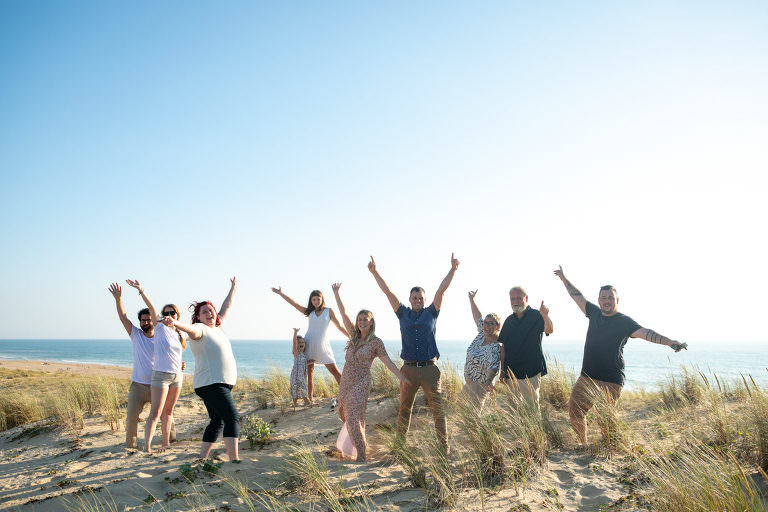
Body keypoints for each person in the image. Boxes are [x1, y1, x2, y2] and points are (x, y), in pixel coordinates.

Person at [554, 265, 687, 444]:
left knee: (605, 419)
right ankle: (583, 445)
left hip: (611, 380)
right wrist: (563, 278)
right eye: (603, 298)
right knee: (575, 411)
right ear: (599, 300)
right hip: (587, 377)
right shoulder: (593, 313)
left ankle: (608, 448)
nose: (607, 301)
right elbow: (576, 295)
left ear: (617, 300)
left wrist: (669, 342)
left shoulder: (624, 322)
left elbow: (646, 333)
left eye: (610, 298)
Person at [368, 253, 459, 450]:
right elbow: (388, 292)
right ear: (410, 299)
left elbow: (441, 291)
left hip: (429, 369)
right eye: (415, 297)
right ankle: (400, 447)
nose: (418, 300)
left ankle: (444, 447)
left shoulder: (431, 312)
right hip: (408, 370)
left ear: (425, 300)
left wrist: (453, 270)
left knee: (438, 410)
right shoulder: (403, 313)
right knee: (404, 410)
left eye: (421, 298)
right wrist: (375, 272)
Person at [164, 277, 240, 461]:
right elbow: (189, 329)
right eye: (204, 312)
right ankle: (234, 460)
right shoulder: (200, 329)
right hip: (212, 383)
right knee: (232, 418)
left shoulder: (218, 328)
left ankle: (202, 458)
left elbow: (227, 306)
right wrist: (174, 323)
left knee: (217, 421)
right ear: (198, 316)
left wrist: (233, 288)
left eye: (211, 310)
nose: (209, 313)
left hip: (217, 383)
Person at [331, 283, 409, 461]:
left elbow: (387, 362)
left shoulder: (376, 342)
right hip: (346, 381)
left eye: (365, 319)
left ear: (371, 322)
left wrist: (402, 377)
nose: (362, 322)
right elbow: (343, 314)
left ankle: (362, 454)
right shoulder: (353, 336)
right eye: (359, 320)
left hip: (361, 382)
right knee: (346, 415)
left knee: (353, 417)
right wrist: (336, 293)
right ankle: (358, 445)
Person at [107, 282, 178, 448]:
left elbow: (174, 354)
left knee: (166, 413)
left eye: (148, 320)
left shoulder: (163, 336)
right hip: (138, 385)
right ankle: (130, 446)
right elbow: (123, 318)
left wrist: (179, 365)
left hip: (158, 384)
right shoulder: (136, 335)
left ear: (154, 321)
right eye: (143, 320)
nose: (146, 322)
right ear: (140, 322)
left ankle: (172, 440)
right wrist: (118, 299)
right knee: (131, 416)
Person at [124, 280, 186, 453]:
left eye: (172, 313)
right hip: (160, 377)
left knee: (168, 412)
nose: (168, 315)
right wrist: (140, 290)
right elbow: (150, 307)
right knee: (156, 413)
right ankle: (147, 447)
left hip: (176, 376)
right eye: (165, 312)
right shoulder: (159, 327)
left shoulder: (179, 333)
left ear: (177, 315)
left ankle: (167, 443)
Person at [271, 287, 347, 401]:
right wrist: (281, 293)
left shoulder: (329, 311)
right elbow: (295, 304)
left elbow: (339, 326)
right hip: (309, 344)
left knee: (335, 371)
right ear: (311, 301)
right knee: (309, 372)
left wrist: (351, 336)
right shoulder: (309, 312)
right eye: (314, 300)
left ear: (322, 299)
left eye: (318, 299)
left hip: (323, 346)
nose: (316, 301)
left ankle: (347, 394)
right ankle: (310, 398)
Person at [498, 286, 553, 407]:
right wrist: (502, 372)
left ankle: (533, 427)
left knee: (532, 408)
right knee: (513, 410)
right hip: (511, 373)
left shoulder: (537, 315)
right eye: (513, 299)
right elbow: (502, 348)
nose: (516, 301)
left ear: (526, 298)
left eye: (519, 298)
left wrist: (545, 316)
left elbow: (550, 329)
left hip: (531, 372)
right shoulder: (508, 321)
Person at [462, 290, 503, 407]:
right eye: (486, 323)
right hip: (469, 383)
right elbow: (477, 316)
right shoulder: (482, 333)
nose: (487, 326)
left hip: (480, 385)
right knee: (460, 407)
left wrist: (487, 383)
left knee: (473, 416)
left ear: (498, 326)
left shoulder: (496, 346)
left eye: (491, 324)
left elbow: (494, 368)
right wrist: (472, 300)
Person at [290, 328, 311, 407]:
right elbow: (294, 343)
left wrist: (311, 361)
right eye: (299, 342)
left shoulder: (303, 355)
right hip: (296, 375)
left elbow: (304, 363)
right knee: (295, 389)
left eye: (303, 342)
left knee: (303, 388)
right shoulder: (296, 353)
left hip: (302, 376)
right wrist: (295, 333)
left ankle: (306, 402)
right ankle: (295, 404)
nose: (301, 343)